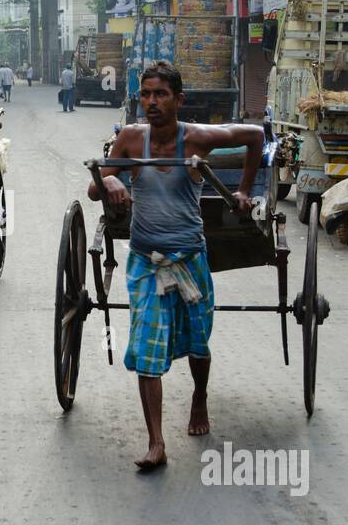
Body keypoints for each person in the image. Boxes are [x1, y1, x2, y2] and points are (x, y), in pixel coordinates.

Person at [88, 62, 264, 471]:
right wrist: (112, 180)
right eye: (145, 94)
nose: (151, 101)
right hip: (146, 261)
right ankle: (156, 442)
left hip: (190, 259)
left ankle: (199, 395)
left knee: (198, 342)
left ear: (178, 100)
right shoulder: (130, 139)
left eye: (160, 94)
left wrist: (242, 190)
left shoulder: (198, 139)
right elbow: (96, 187)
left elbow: (255, 137)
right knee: (147, 350)